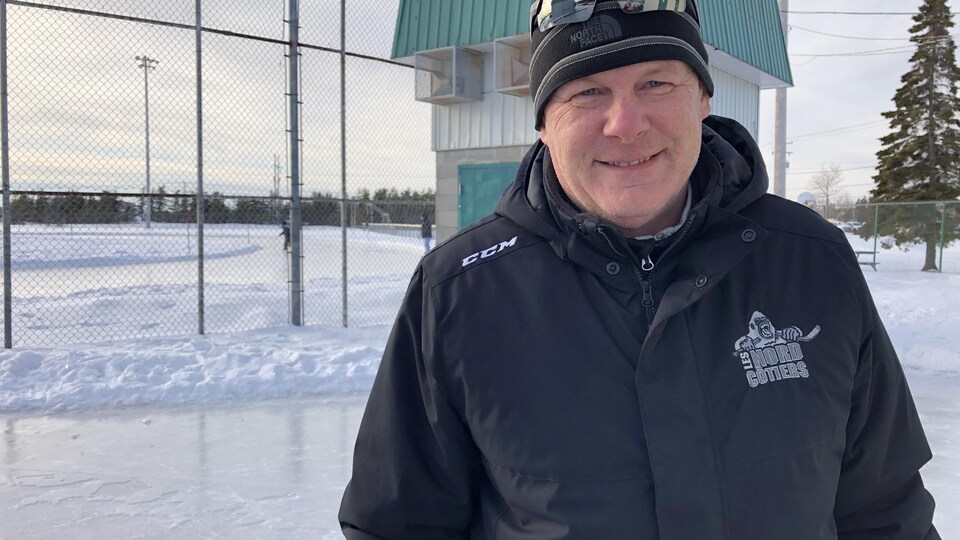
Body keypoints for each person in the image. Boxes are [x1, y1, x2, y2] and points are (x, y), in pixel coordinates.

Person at [340, 1, 940, 538]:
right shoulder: (458, 292)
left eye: (655, 83)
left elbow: (885, 512)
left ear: (703, 99)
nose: (625, 123)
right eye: (587, 92)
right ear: (545, 123)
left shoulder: (813, 261)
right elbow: (399, 524)